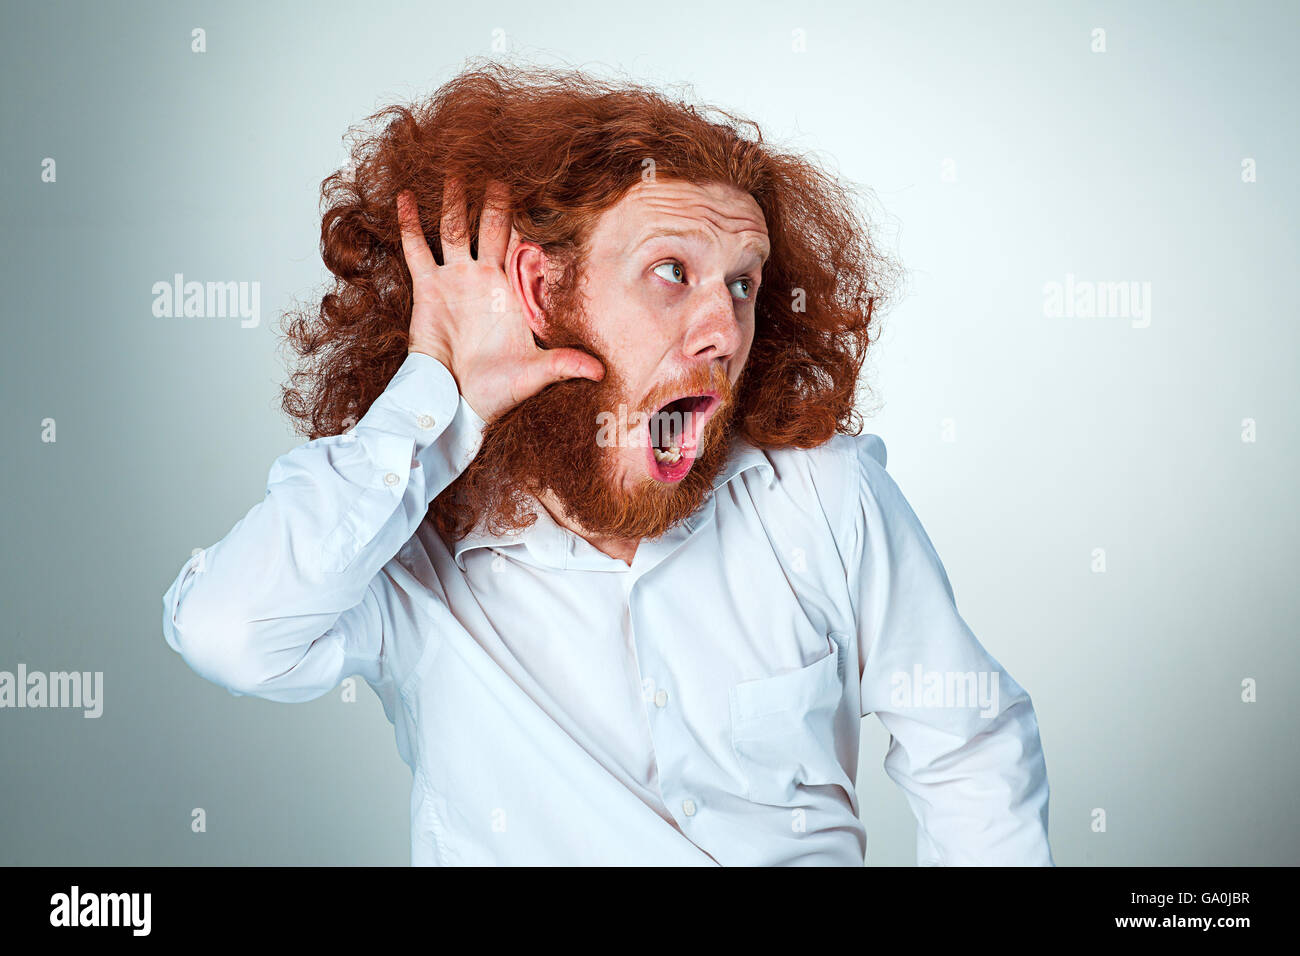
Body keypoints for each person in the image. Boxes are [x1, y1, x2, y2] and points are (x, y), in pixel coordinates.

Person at [161, 62, 1053, 866]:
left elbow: (969, 747)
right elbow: (230, 633)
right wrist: (438, 392)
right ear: (543, 289)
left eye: (742, 283)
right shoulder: (413, 545)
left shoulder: (824, 495)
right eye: (673, 271)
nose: (723, 330)